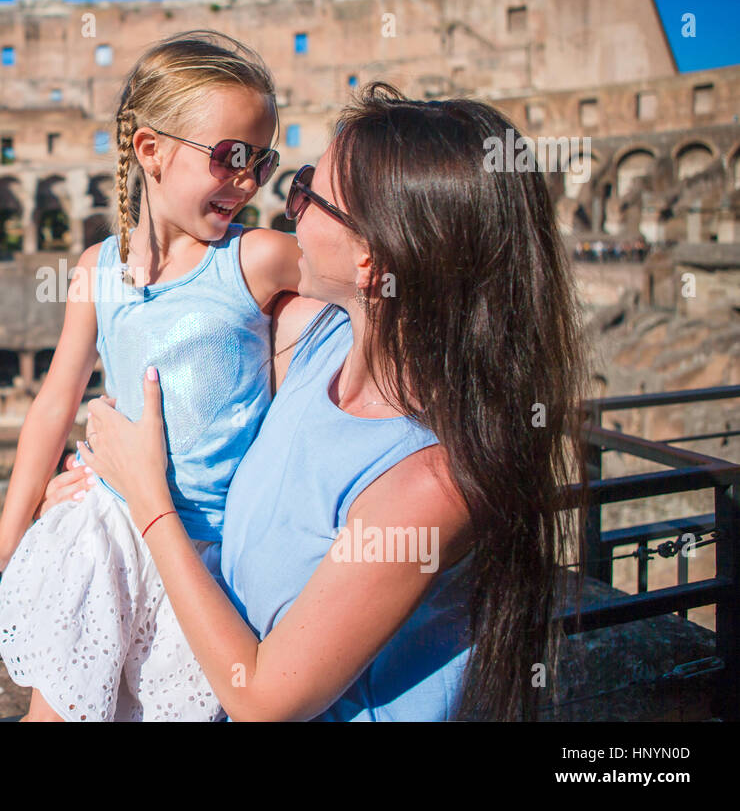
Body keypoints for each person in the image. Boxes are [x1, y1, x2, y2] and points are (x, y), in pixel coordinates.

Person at [68, 82, 590, 720]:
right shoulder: (322, 342)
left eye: (309, 193)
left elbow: (262, 698)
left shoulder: (430, 483)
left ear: (371, 256)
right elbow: (175, 364)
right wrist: (92, 487)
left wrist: (147, 501)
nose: (285, 210)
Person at [0, 30, 302, 721]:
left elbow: (364, 281)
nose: (250, 181)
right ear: (151, 150)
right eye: (232, 157)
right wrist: (7, 534)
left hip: (212, 552)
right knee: (59, 713)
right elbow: (54, 402)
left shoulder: (260, 258)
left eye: (264, 160)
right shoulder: (97, 269)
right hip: (105, 528)